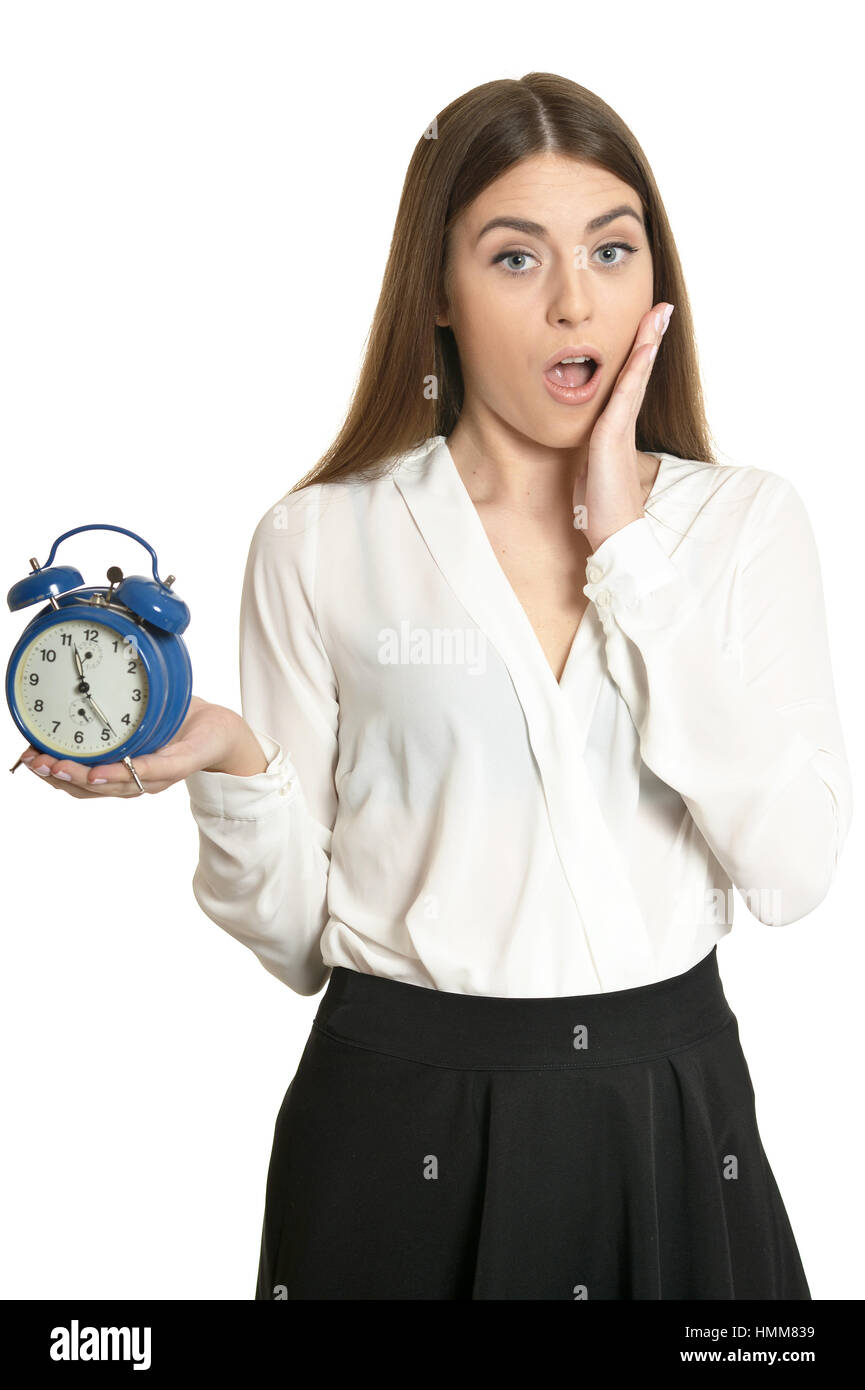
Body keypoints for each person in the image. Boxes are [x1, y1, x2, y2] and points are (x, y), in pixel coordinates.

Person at [19, 73, 853, 1301]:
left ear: (652, 281)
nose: (576, 298)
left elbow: (791, 871)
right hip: (394, 1117)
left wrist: (628, 553)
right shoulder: (318, 540)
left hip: (669, 1112)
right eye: (516, 258)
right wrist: (236, 762)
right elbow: (307, 943)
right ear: (442, 295)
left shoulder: (739, 526)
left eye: (610, 249)